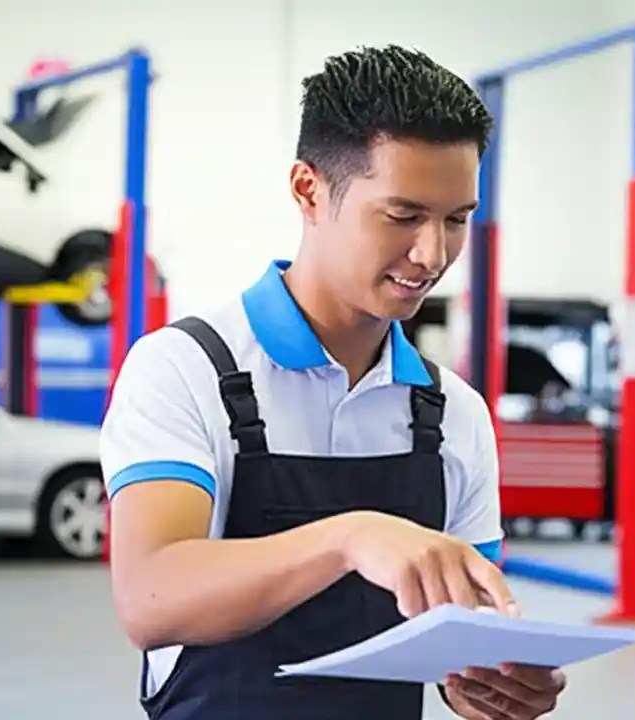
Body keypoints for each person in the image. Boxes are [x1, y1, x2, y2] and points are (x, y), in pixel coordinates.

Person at [100, 45, 566, 719]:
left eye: (456, 219)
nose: (432, 254)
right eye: (403, 215)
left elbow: (465, 635)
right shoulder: (185, 369)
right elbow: (149, 597)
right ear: (308, 190)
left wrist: (489, 683)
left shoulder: (453, 414)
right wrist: (352, 538)